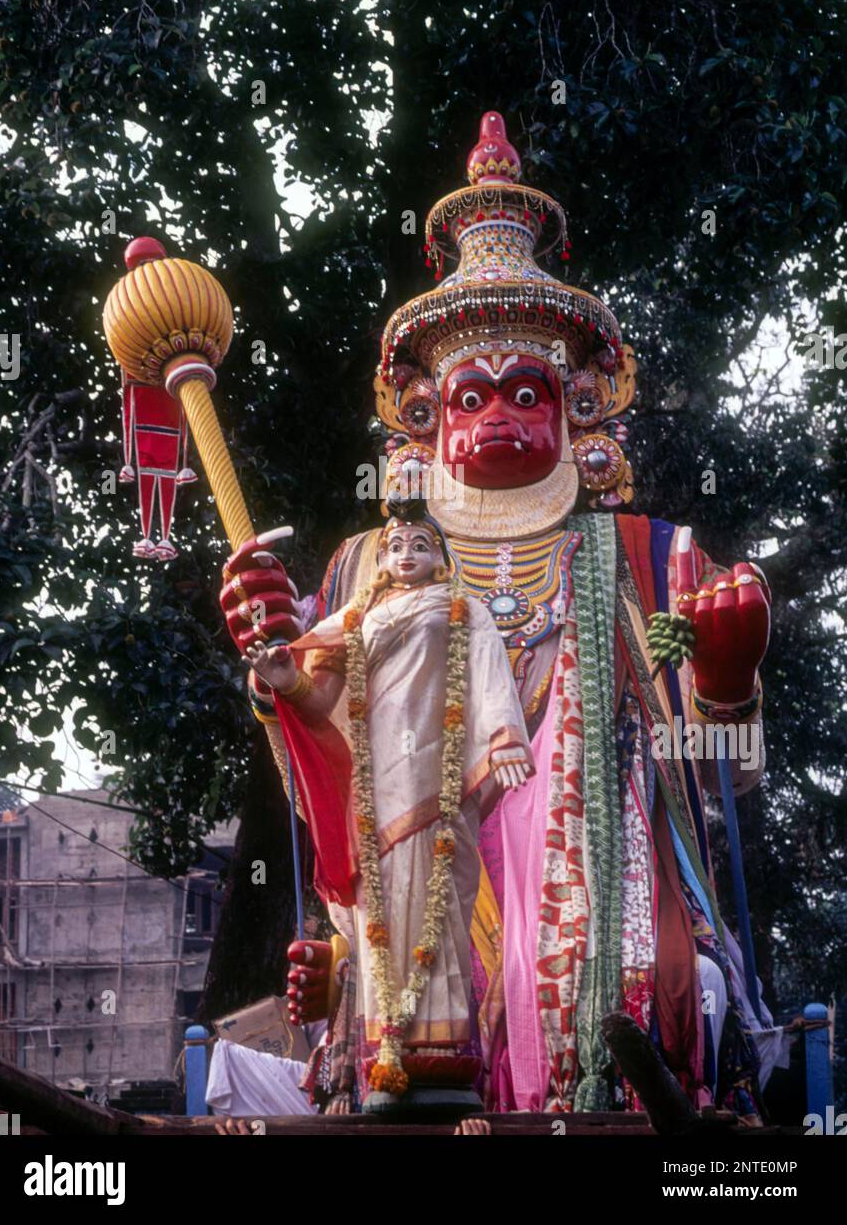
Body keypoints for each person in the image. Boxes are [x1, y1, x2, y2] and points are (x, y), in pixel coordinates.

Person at [221, 112, 771, 1116]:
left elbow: (730, 773)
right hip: (429, 903)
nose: (498, 418)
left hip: (610, 907)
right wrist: (273, 664)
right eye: (469, 398)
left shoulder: (651, 555)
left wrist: (729, 686)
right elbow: (317, 786)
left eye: (528, 391)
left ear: (580, 408)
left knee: (655, 981)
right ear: (425, 416)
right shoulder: (364, 569)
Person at [247, 502, 532, 1108]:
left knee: (439, 902)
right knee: (381, 910)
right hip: (377, 781)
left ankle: (446, 1063)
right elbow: (319, 688)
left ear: (440, 558)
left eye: (420, 546)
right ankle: (387, 1058)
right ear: (381, 560)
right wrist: (281, 674)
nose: (405, 555)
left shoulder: (463, 608)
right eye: (395, 546)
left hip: (438, 772)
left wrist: (506, 737)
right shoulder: (358, 616)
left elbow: (488, 674)